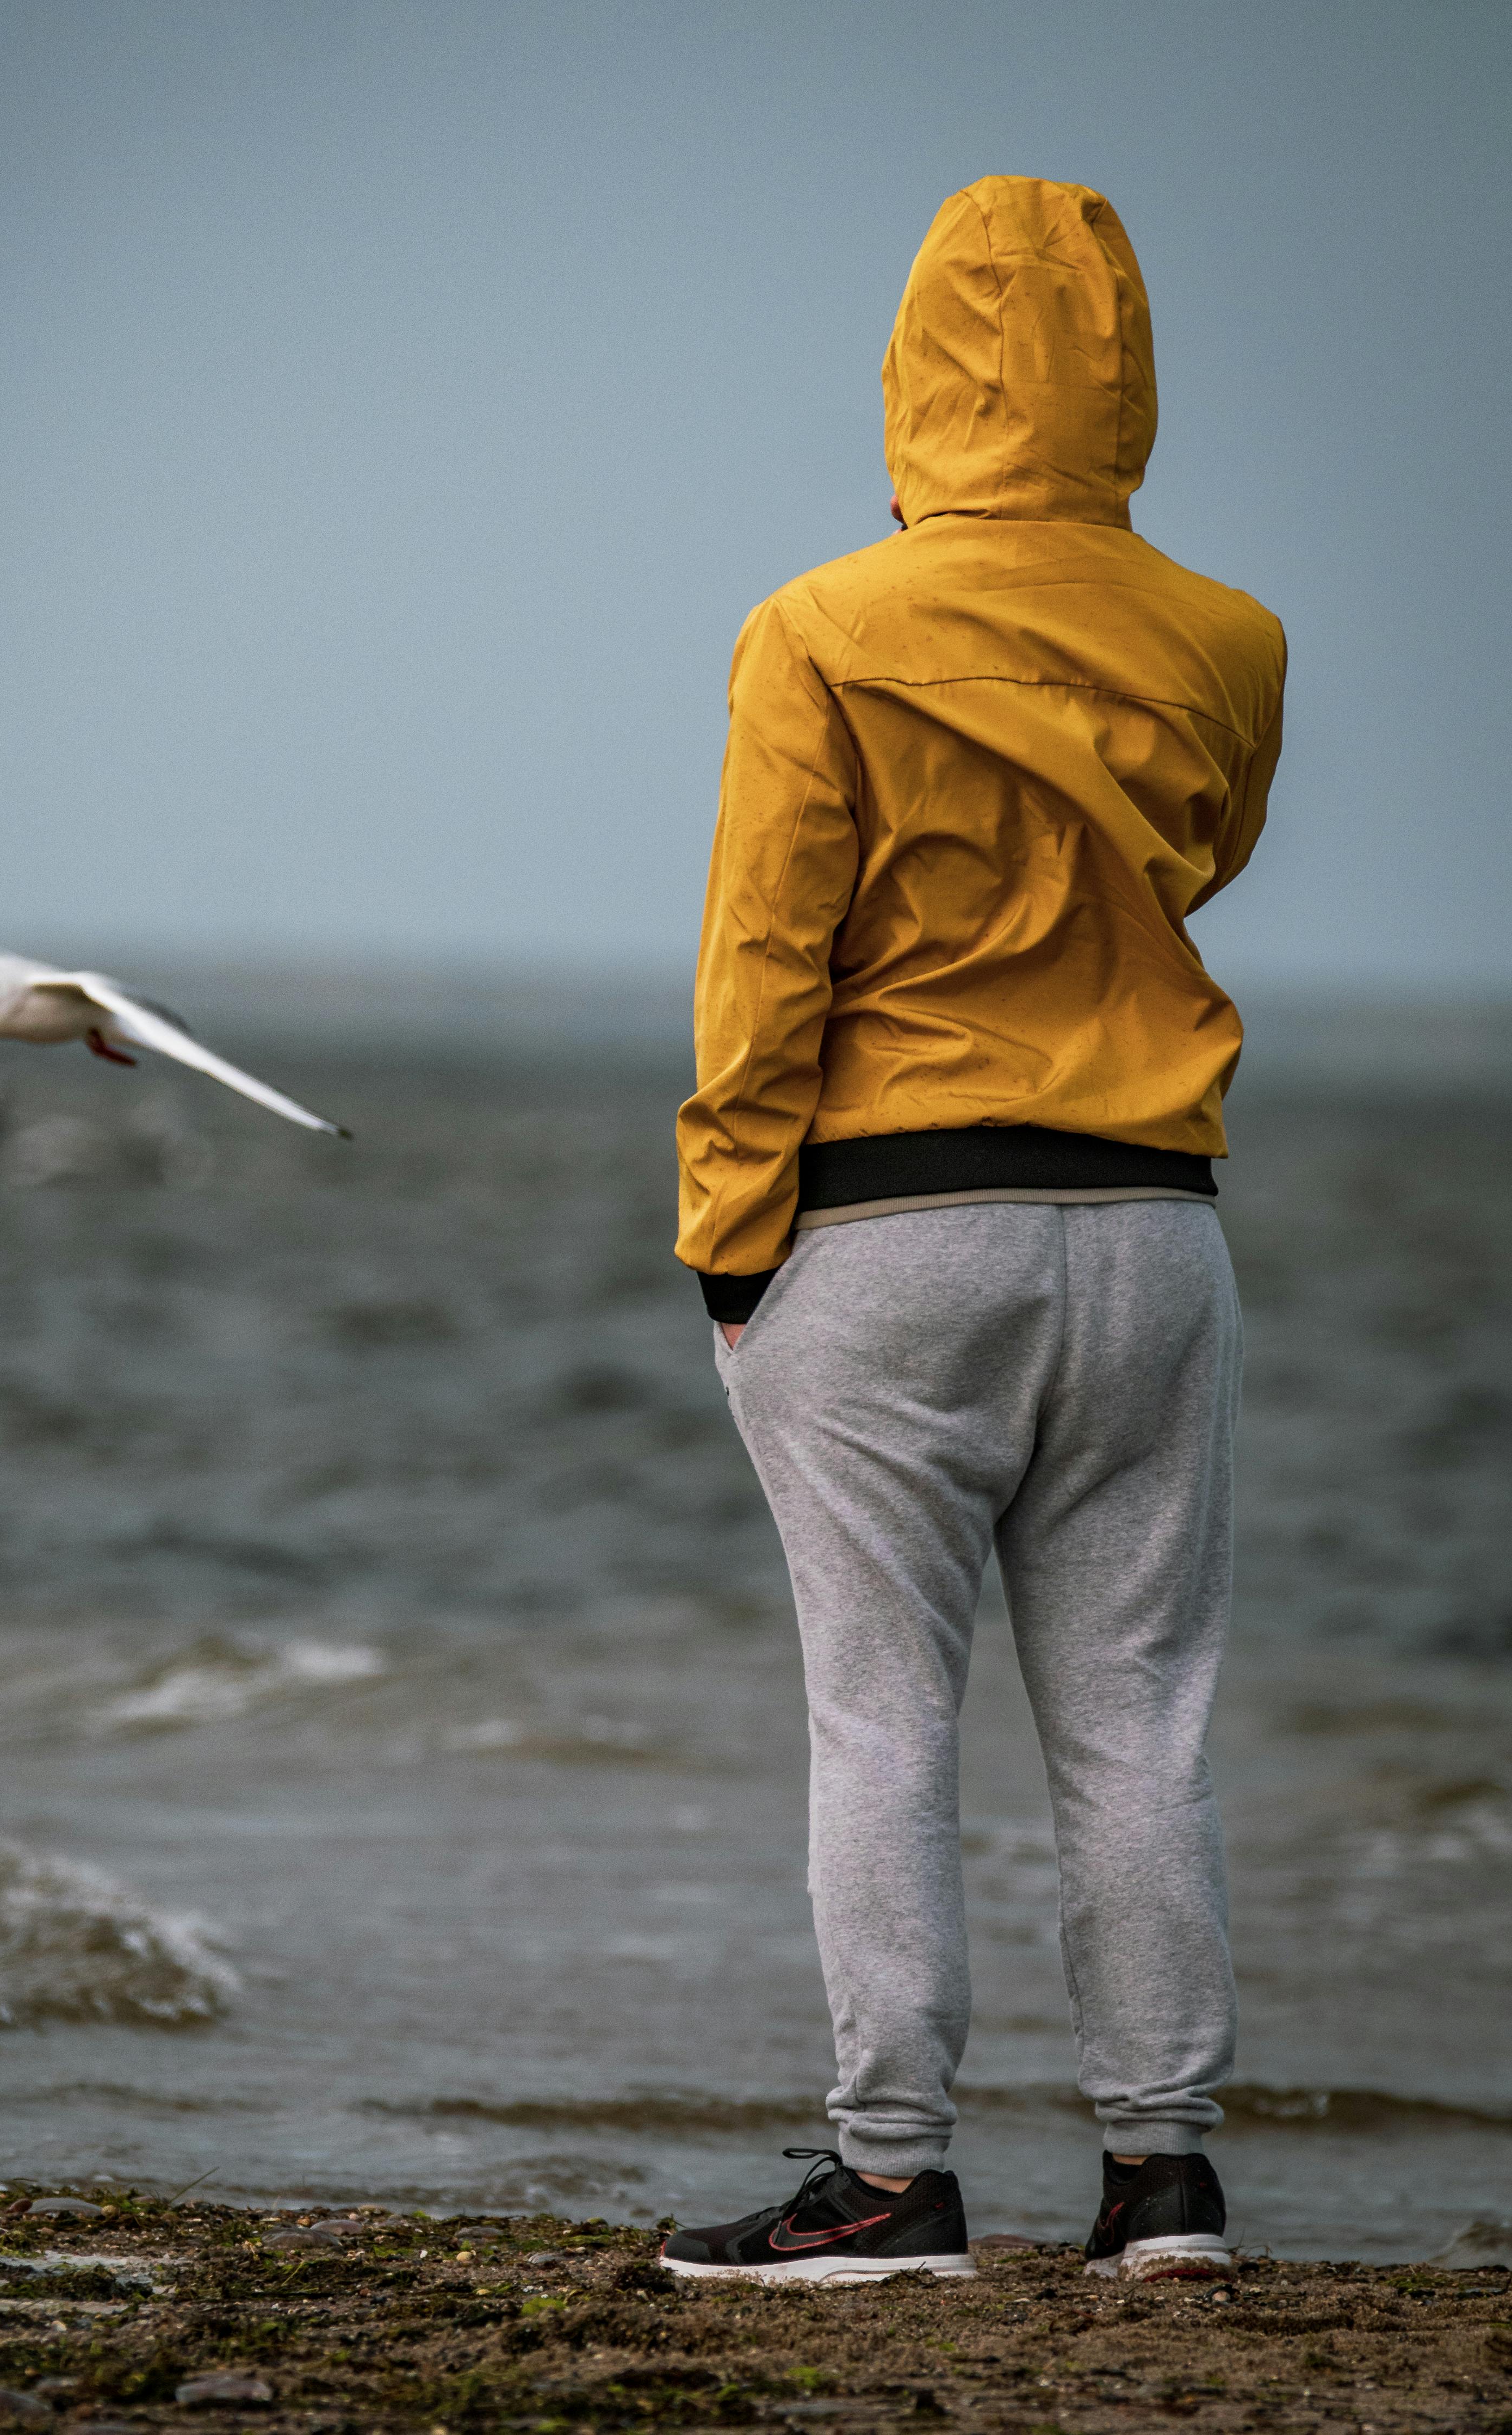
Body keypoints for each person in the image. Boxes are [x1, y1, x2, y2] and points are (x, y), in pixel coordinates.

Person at [663, 176, 1284, 2288]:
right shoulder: (1228, 637)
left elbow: (764, 967)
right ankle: (1161, 2178)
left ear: (914, 371)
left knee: (880, 1717)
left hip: (887, 1228)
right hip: (1151, 1231)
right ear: (1120, 373)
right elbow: (1188, 859)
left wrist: (726, 1243)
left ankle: (885, 2179)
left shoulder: (820, 627)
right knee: (1139, 1712)